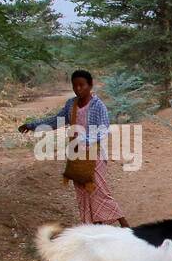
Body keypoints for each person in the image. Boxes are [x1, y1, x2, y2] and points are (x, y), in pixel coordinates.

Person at [19, 70, 129, 227]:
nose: (78, 89)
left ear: (90, 85)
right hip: (76, 154)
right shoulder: (71, 104)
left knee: (99, 191)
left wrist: (84, 140)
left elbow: (103, 130)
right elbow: (56, 121)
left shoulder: (98, 106)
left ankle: (125, 226)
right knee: (83, 194)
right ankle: (93, 229)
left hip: (94, 154)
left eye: (81, 85)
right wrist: (31, 125)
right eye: (75, 85)